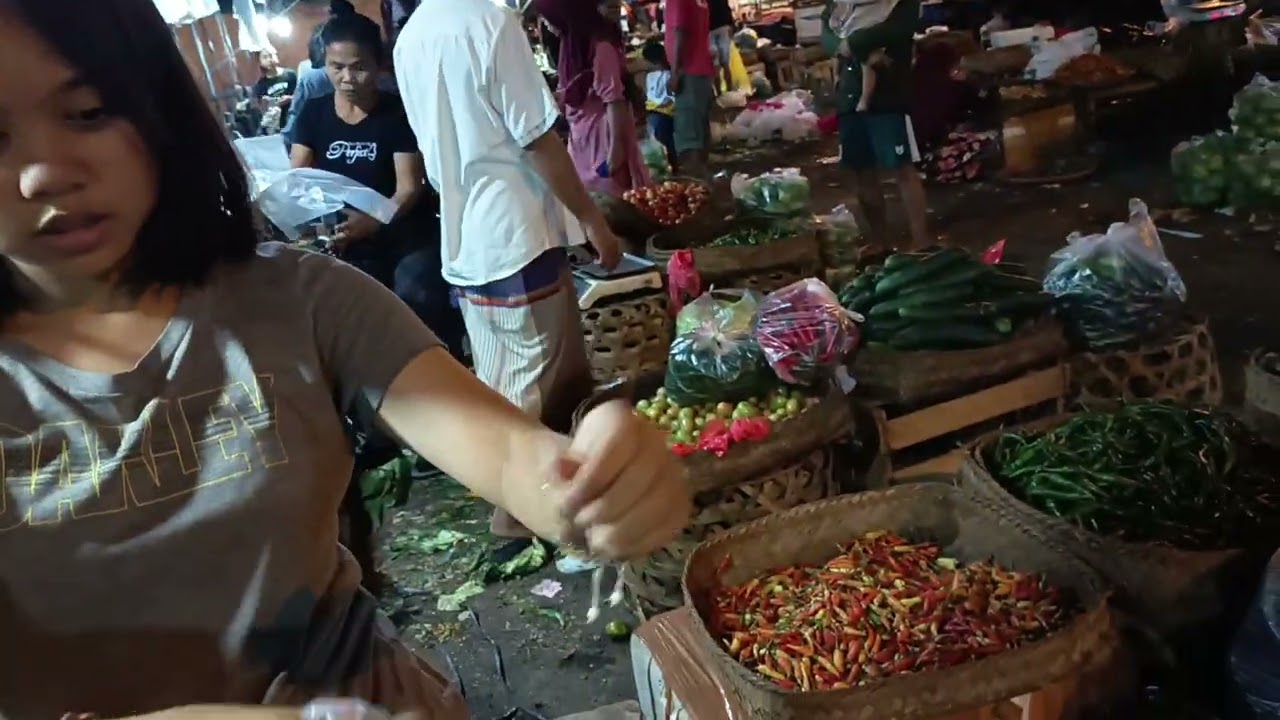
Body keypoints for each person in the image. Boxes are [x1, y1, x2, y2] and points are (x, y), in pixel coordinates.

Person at [0, 0, 689, 718]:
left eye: (87, 112)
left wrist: (596, 489)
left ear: (156, 107)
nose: (44, 174)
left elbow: (515, 457)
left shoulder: (301, 301)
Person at [394, 0, 628, 561]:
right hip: (516, 230)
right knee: (549, 385)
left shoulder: (411, 36)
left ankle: (526, 506)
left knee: (504, 378)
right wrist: (592, 220)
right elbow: (537, 139)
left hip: (467, 234)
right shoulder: (489, 22)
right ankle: (526, 516)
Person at [823, 0, 930, 251]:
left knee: (903, 168)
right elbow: (826, 35)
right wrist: (851, 48)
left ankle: (921, 241)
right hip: (849, 97)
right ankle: (880, 242)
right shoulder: (840, 4)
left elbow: (899, 28)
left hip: (888, 96)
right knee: (862, 171)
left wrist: (853, 43)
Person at [537, 0, 650, 196]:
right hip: (582, 140)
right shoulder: (570, 47)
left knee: (614, 202)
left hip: (602, 139)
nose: (546, 24)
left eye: (549, 18)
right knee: (593, 198)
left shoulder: (600, 47)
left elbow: (615, 101)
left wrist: (616, 150)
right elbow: (580, 87)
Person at [281, 20, 397, 149]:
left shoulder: (397, 114)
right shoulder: (311, 109)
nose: (348, 78)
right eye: (338, 67)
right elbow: (297, 153)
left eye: (359, 68)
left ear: (378, 63)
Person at [664, 0, 716, 178]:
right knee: (699, 130)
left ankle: (697, 183)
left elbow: (680, 32)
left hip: (689, 71)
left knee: (689, 135)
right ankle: (704, 180)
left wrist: (675, 71)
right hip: (702, 70)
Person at [642, 40, 677, 167]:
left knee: (663, 141)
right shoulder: (654, 75)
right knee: (666, 141)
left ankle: (670, 165)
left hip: (661, 114)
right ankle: (671, 164)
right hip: (659, 113)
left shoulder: (666, 76)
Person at [707, 0, 735, 92]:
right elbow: (727, 9)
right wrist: (731, 24)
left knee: (715, 65)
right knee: (725, 63)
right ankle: (730, 91)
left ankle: (719, 93)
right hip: (723, 26)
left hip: (709, 29)